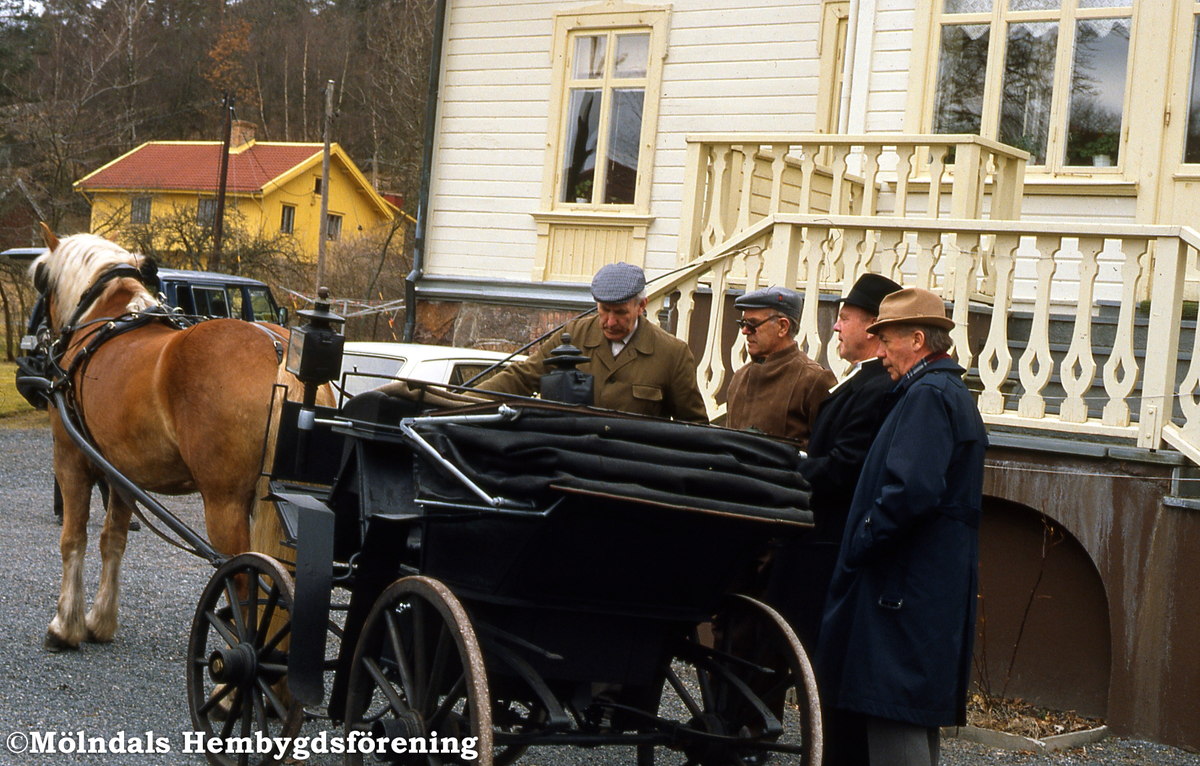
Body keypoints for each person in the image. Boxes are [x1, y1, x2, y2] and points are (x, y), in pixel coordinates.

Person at [816, 287, 988, 766]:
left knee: (896, 718)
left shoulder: (928, 395)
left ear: (916, 339)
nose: (882, 351)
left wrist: (860, 542)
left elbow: (910, 492)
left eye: (887, 339)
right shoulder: (940, 391)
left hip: (902, 594)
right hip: (917, 590)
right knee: (905, 719)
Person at [478, 262, 708, 422]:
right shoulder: (574, 335)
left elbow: (693, 425)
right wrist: (459, 402)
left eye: (620, 312)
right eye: (603, 310)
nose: (609, 321)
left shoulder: (672, 354)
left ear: (641, 306)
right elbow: (521, 378)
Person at [724, 286, 835, 446]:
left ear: (783, 327)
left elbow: (825, 453)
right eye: (743, 324)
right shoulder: (740, 377)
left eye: (753, 324)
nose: (745, 331)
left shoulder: (813, 379)